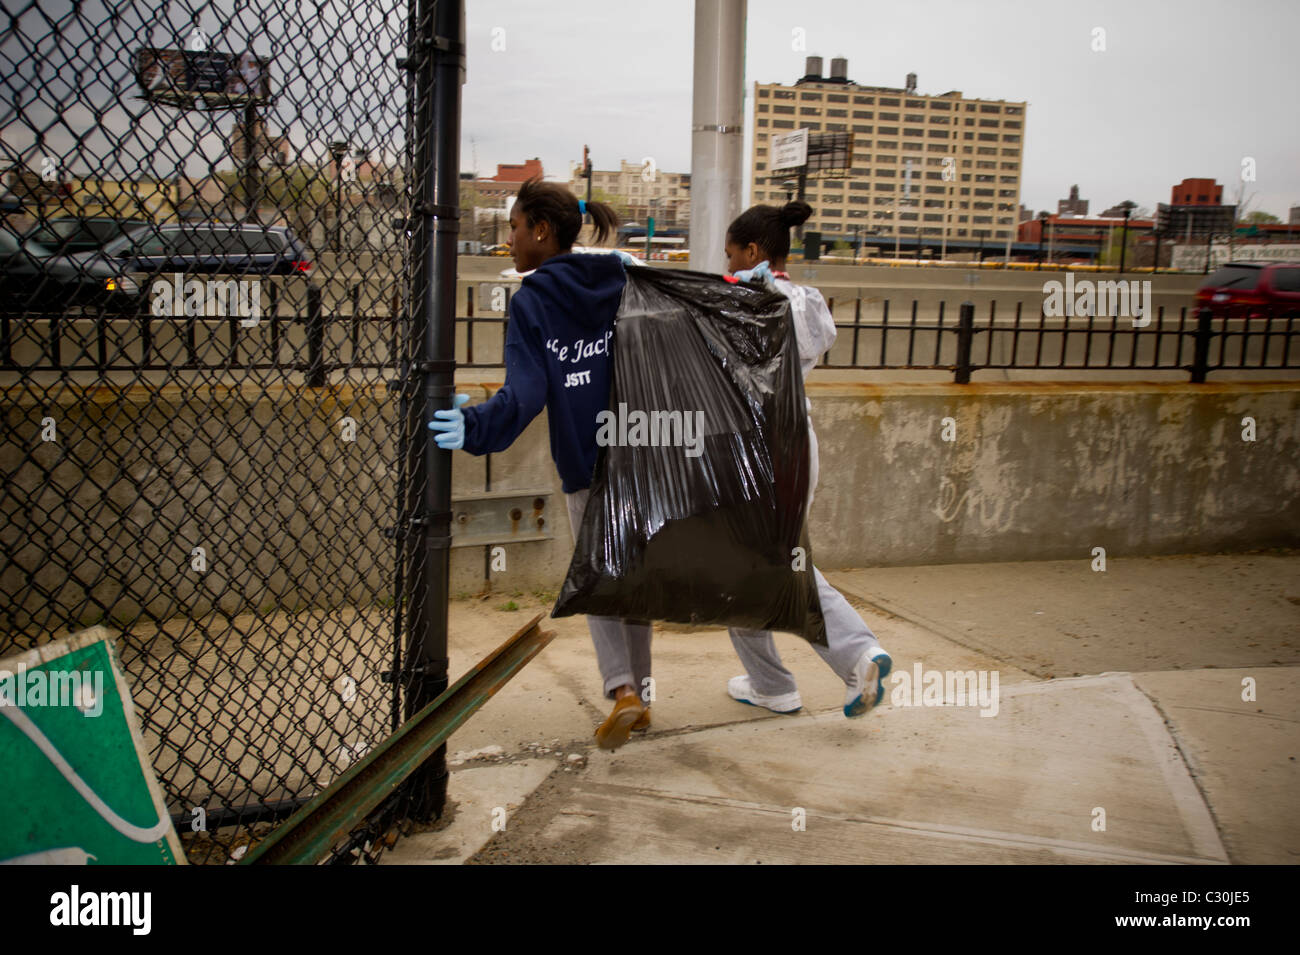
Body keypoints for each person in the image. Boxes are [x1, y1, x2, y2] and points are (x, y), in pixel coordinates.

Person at [427, 178, 652, 751]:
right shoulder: (618, 276)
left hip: (585, 461)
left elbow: (525, 396)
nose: (509, 239)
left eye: (514, 227)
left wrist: (473, 426)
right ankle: (642, 695)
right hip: (644, 452)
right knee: (633, 580)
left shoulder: (531, 302)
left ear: (541, 231)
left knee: (597, 576)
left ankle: (624, 690)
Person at [722, 200, 894, 718]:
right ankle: (769, 683)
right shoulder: (808, 300)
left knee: (777, 562)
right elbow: (813, 340)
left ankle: (858, 654)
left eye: (732, 256)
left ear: (753, 251)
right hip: (798, 442)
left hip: (753, 447)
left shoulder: (745, 300)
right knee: (743, 567)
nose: (727, 267)